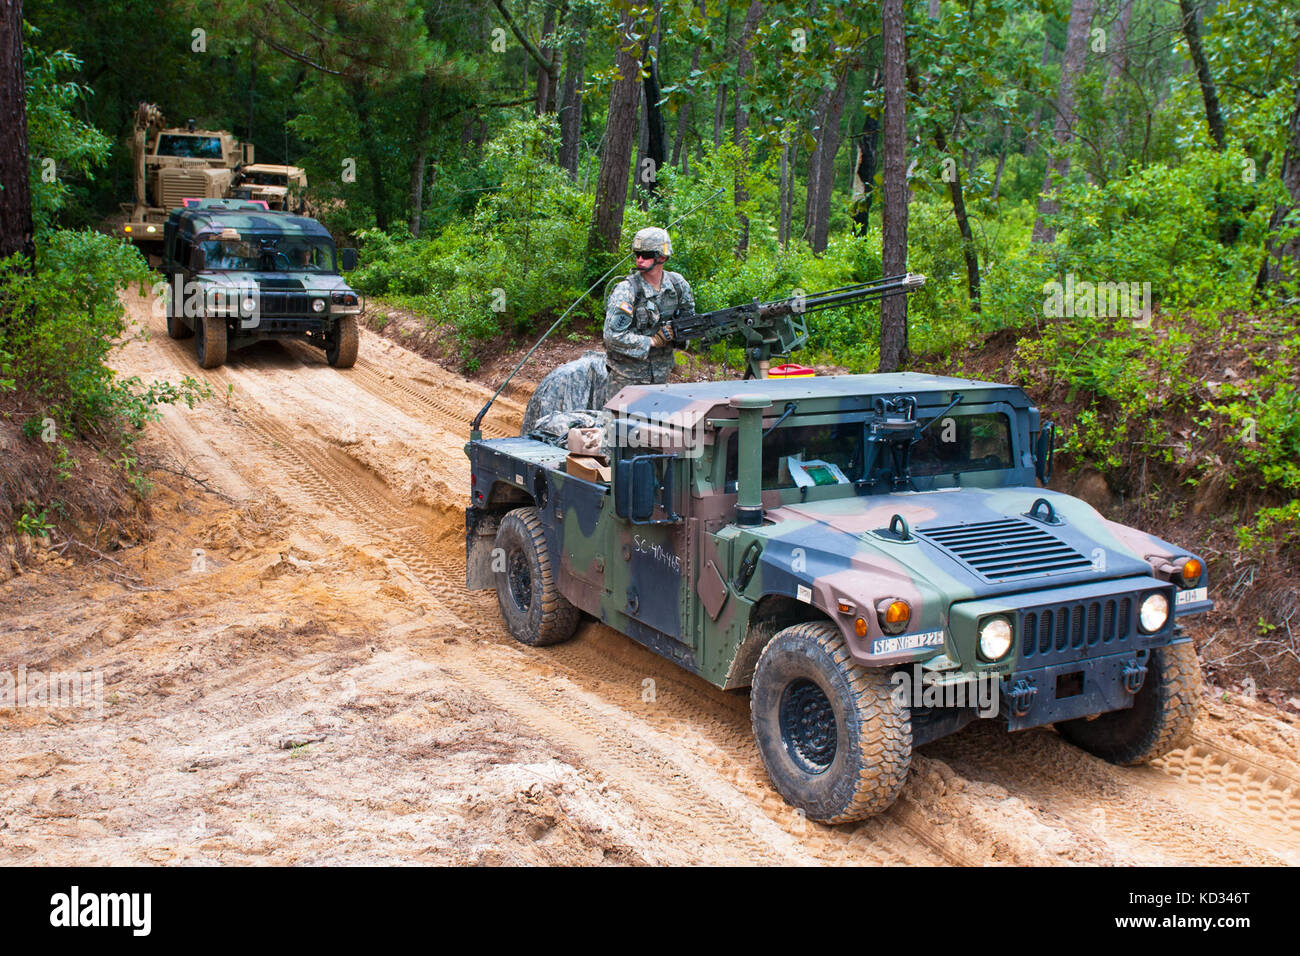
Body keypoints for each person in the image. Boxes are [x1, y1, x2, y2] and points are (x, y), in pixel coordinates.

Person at [603, 227, 695, 397]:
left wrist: (678, 334)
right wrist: (651, 341)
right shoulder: (627, 290)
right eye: (636, 254)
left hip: (660, 377)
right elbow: (612, 337)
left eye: (645, 255)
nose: (639, 259)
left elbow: (688, 321)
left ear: (661, 257)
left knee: (656, 423)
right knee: (619, 424)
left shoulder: (677, 285)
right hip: (626, 379)